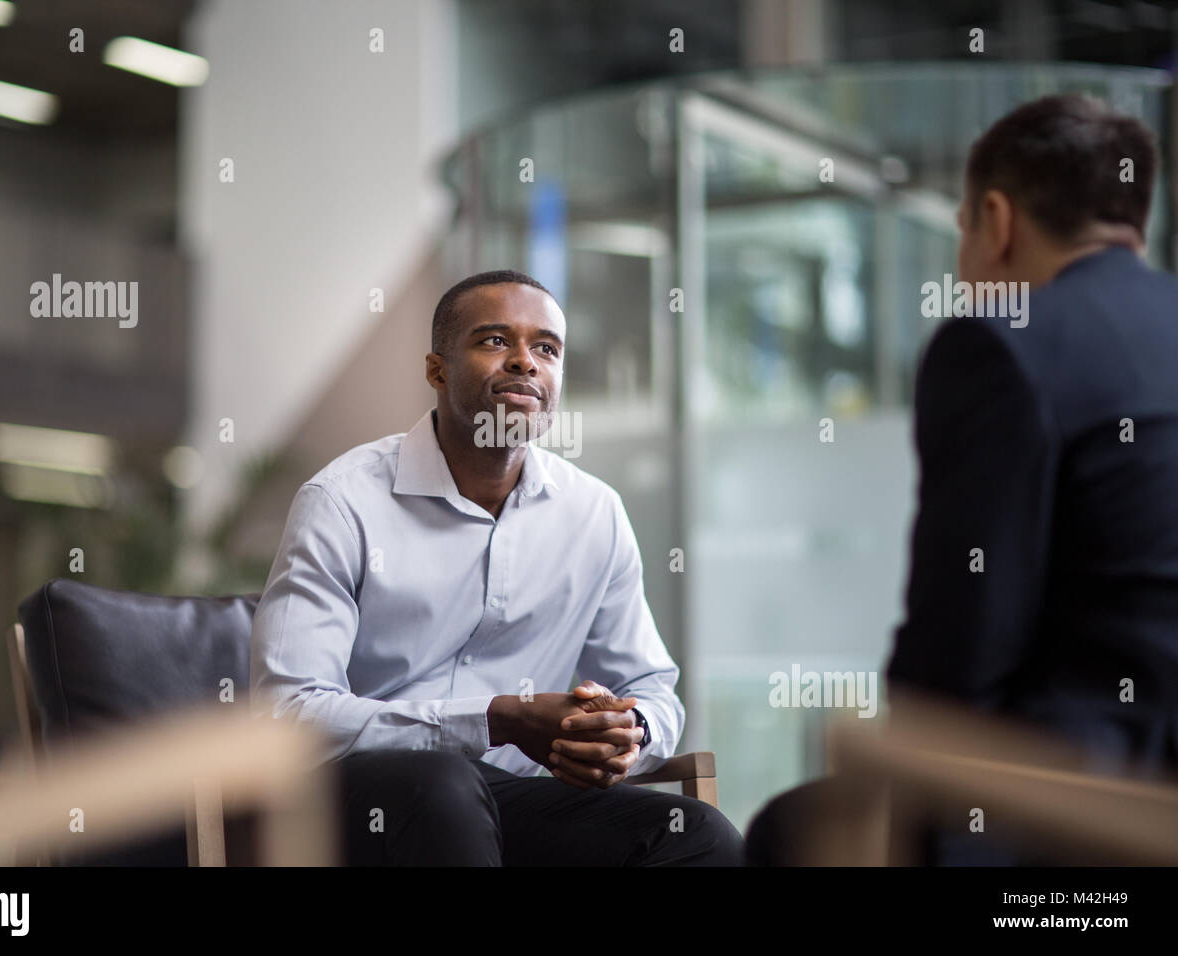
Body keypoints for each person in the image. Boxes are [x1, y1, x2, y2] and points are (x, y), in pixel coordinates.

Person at [747, 93, 1178, 865]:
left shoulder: (1003, 346)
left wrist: (894, 759)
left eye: (961, 234)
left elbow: (962, 644)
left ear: (997, 219)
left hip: (1089, 802)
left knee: (789, 827)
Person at [251, 269, 743, 865]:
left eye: (546, 348)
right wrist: (495, 720)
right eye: (493, 341)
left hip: (516, 800)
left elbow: (652, 690)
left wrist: (626, 733)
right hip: (356, 801)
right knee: (442, 785)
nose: (525, 362)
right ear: (437, 370)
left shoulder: (594, 513)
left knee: (698, 833)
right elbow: (289, 714)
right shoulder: (342, 502)